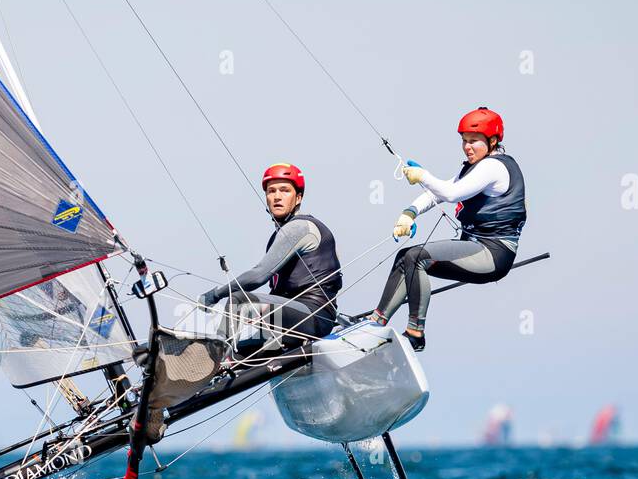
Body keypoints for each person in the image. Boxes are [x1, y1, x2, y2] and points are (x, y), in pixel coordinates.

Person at [370, 107, 527, 351]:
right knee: (405, 257)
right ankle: (375, 323)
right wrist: (409, 214)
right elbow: (442, 190)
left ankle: (415, 333)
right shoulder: (475, 168)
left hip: (494, 253)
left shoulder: (494, 167)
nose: (467, 147)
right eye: (464, 141)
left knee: (416, 258)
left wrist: (422, 175)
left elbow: (451, 194)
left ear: (493, 141)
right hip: (477, 247)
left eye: (474, 141)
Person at [198, 163, 343, 349]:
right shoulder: (278, 236)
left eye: (284, 190)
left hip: (313, 316)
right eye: (271, 191)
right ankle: (222, 366)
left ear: (298, 198)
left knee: (239, 301)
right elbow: (276, 295)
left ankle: (217, 355)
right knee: (241, 351)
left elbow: (258, 276)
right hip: (289, 321)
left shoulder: (299, 228)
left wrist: (215, 294)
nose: (276, 197)